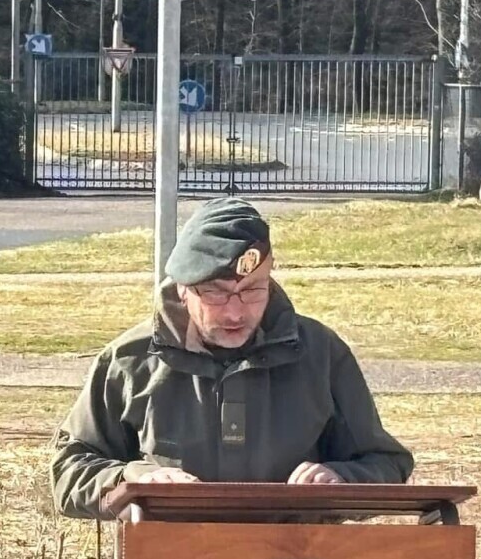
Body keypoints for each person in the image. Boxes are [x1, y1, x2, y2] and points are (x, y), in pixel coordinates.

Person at [51, 196, 413, 520]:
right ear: (183, 289)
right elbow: (71, 471)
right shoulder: (131, 360)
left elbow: (386, 462)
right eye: (216, 294)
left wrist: (342, 479)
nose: (236, 313)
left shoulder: (320, 353)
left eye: (253, 290)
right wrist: (134, 478)